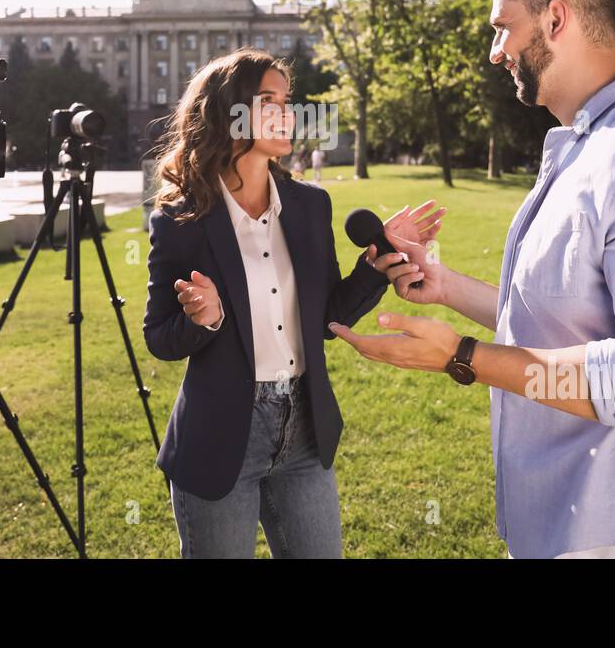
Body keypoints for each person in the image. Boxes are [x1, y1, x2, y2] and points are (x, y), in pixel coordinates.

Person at [330, 0, 615, 559]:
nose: (496, 50)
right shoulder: (591, 146)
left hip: (611, 534)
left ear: (556, 19)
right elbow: (568, 321)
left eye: (504, 27)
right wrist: (446, 289)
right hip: (556, 518)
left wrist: (462, 357)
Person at [143, 49, 444, 558]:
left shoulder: (309, 205)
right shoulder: (182, 218)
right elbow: (160, 337)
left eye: (288, 100)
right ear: (228, 111)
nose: (288, 113)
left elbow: (328, 315)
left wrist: (373, 269)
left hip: (305, 432)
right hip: (218, 440)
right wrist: (206, 319)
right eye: (268, 101)